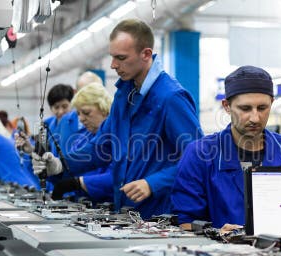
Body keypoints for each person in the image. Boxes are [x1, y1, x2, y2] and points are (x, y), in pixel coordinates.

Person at [31, 19, 203, 218]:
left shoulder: (171, 97)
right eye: (112, 57)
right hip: (126, 212)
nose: (113, 65)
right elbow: (101, 147)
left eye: (121, 58)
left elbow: (197, 159)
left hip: (161, 214)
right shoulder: (124, 97)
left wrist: (153, 183)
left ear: (146, 54)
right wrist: (61, 165)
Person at [171, 66, 281, 230]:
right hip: (219, 253)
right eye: (245, 109)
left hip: (280, 252)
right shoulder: (200, 154)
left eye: (262, 108)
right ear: (227, 106)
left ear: (272, 103)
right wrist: (216, 234)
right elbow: (184, 222)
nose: (255, 118)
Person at [22, 83, 115, 201]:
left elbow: (119, 177)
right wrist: (54, 167)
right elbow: (69, 171)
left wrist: (79, 182)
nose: (81, 119)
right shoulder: (82, 139)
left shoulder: (116, 138)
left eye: (86, 113)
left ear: (104, 109)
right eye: (78, 114)